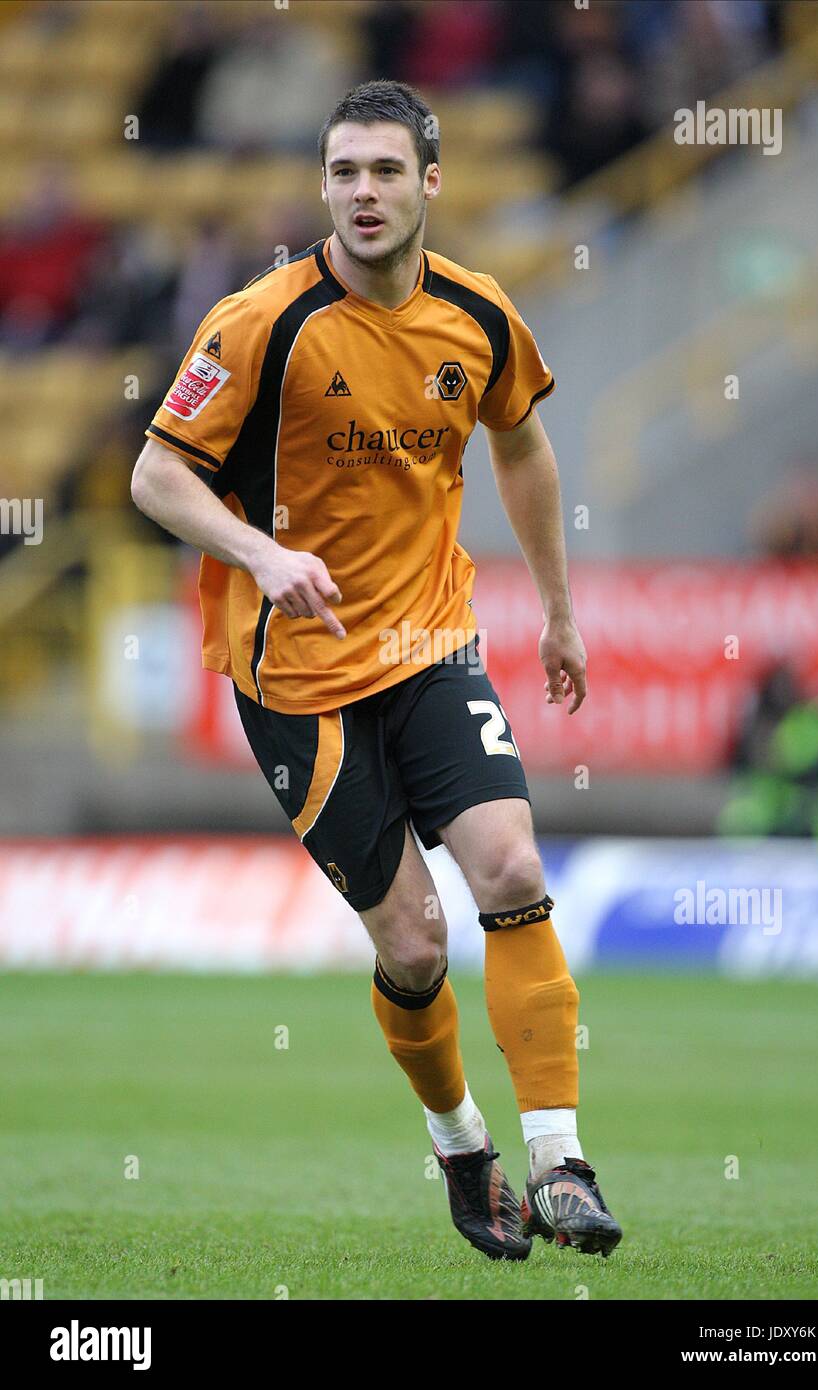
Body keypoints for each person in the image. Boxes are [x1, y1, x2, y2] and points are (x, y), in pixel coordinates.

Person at [131, 79, 621, 1262]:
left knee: (507, 859)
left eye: (385, 171)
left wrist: (556, 610)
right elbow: (156, 474)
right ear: (323, 186)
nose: (362, 192)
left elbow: (524, 447)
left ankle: (559, 1162)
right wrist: (261, 551)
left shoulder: (479, 315)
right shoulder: (261, 322)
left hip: (431, 640)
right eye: (343, 172)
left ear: (430, 184)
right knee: (410, 944)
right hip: (297, 675)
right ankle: (462, 1147)